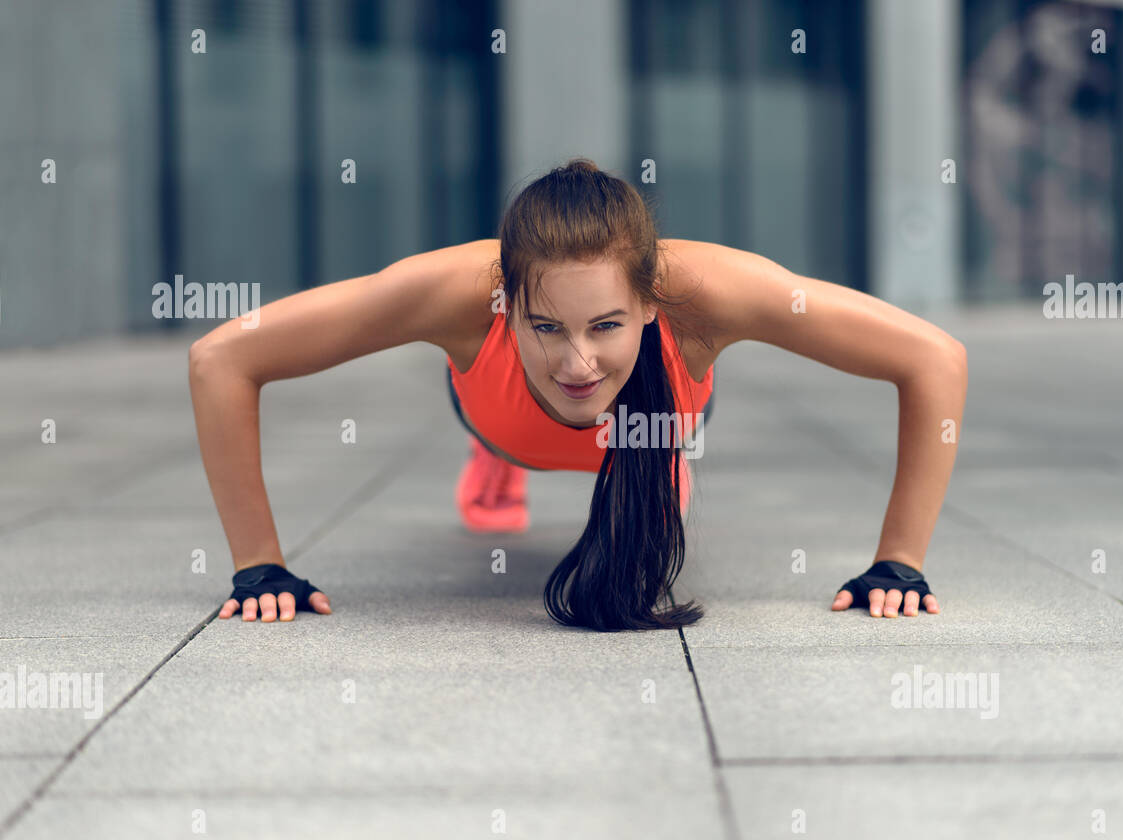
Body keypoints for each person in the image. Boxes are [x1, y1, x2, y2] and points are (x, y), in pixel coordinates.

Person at [189, 158, 967, 631]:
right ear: (505, 299)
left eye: (605, 325)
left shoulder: (710, 293)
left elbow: (934, 357)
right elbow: (222, 358)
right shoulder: (456, 292)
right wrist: (260, 565)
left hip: (657, 416)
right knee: (508, 429)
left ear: (652, 301)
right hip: (499, 418)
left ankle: (657, 462)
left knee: (642, 448)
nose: (578, 360)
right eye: (547, 327)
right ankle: (494, 461)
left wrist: (899, 561)